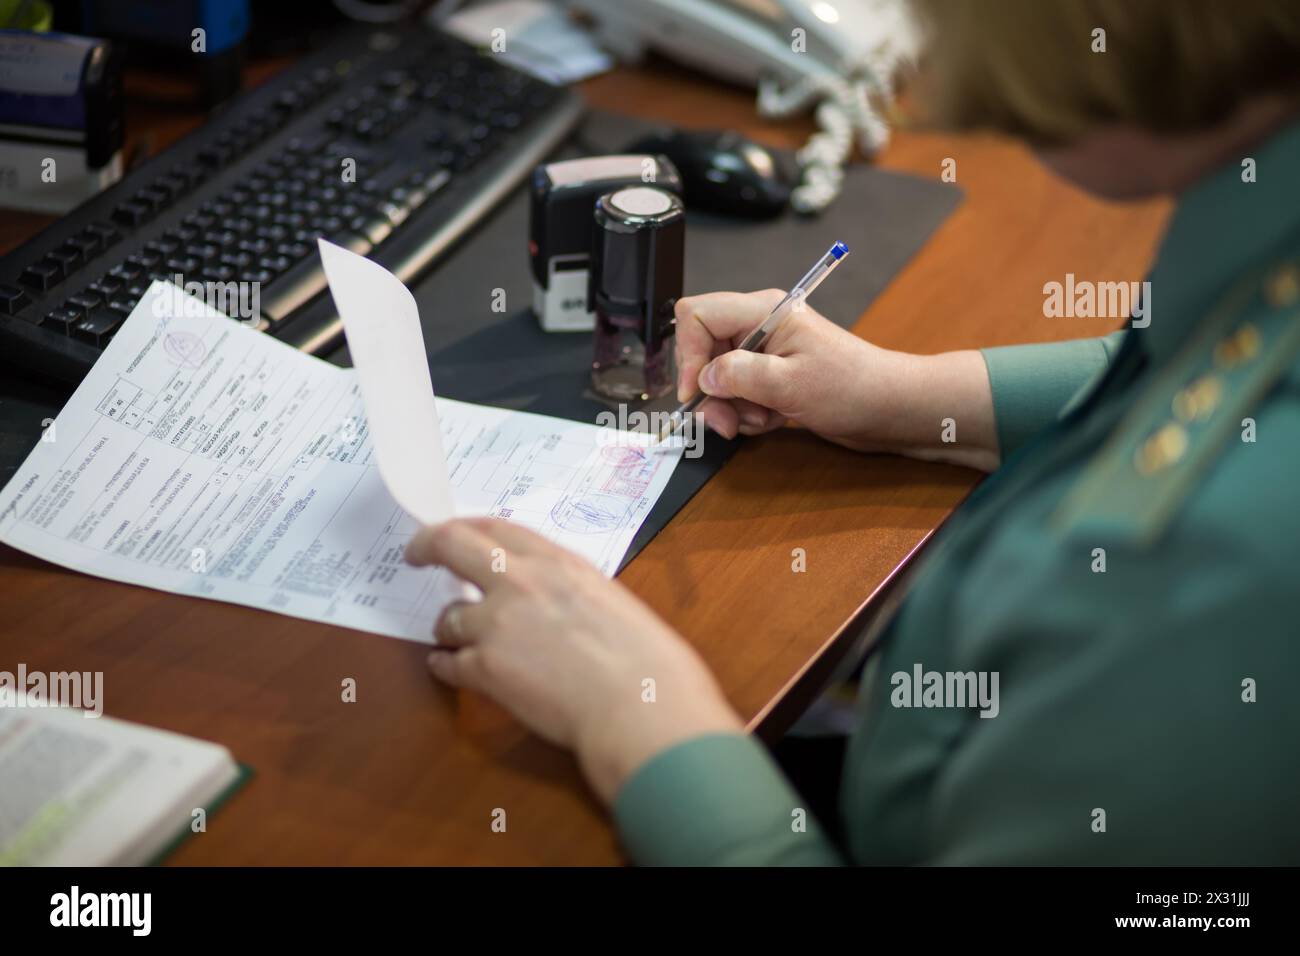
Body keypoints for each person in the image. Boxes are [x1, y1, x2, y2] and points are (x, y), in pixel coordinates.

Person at [403, 0, 1300, 864]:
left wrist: (634, 714)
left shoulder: (1225, 572)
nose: (925, 49)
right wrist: (908, 398)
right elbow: (1204, 362)